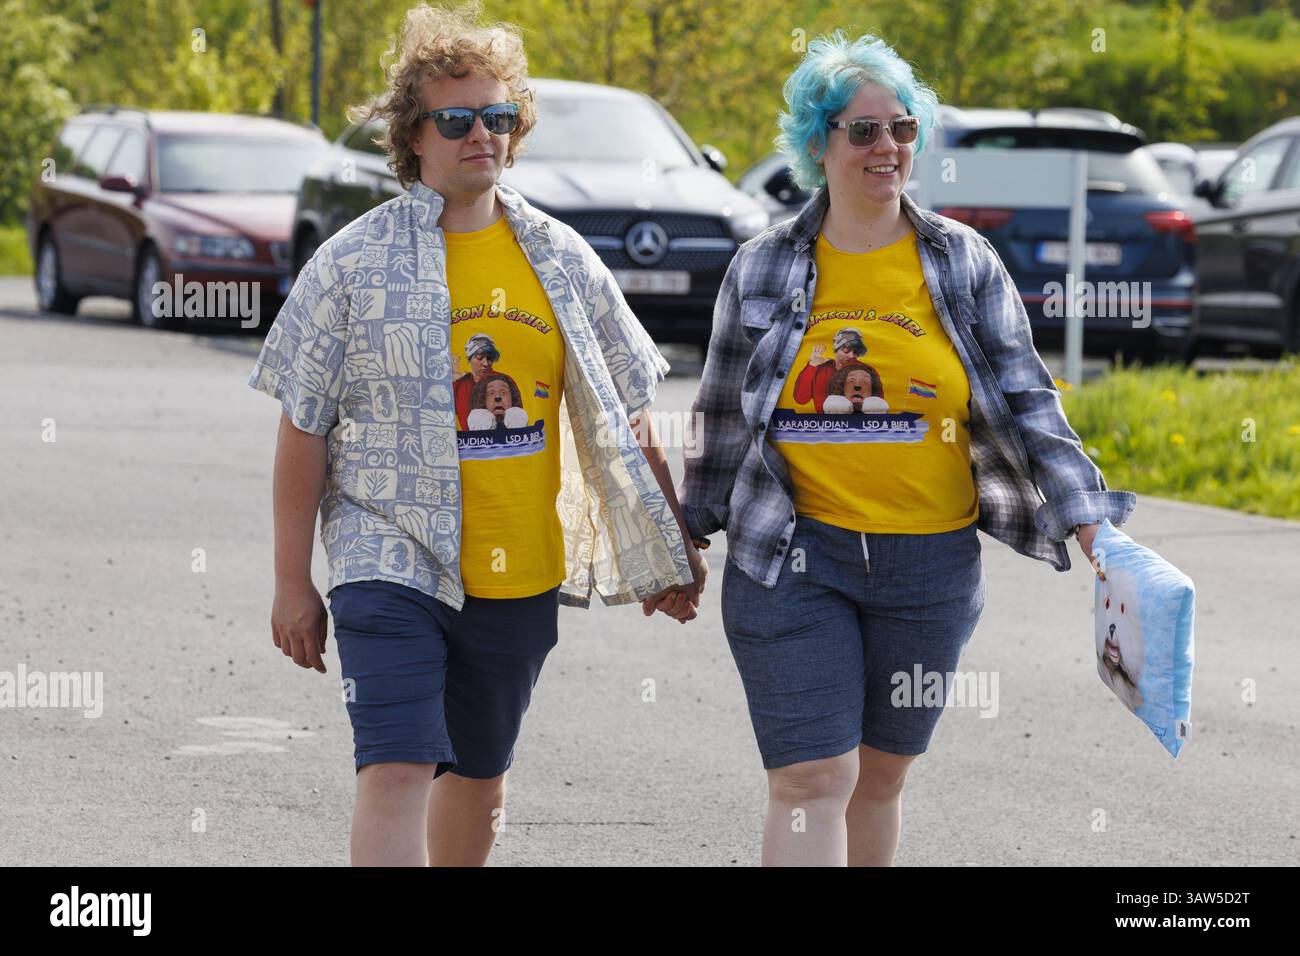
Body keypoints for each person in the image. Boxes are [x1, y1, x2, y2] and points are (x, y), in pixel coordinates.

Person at [249, 1, 705, 867]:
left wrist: (668, 544)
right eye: (456, 119)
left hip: (517, 567)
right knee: (396, 766)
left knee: (479, 782)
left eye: (498, 117)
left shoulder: (563, 257)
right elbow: (302, 425)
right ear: (413, 136)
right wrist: (290, 582)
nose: (481, 135)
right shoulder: (350, 263)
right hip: (386, 551)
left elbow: (625, 407)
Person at [679, 30, 1137, 867]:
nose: (886, 147)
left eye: (902, 128)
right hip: (791, 559)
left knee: (881, 780)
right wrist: (682, 538)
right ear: (818, 145)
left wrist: (1089, 521)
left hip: (930, 567)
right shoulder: (763, 267)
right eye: (862, 131)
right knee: (815, 777)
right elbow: (719, 417)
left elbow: (1031, 401)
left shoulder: (962, 261)